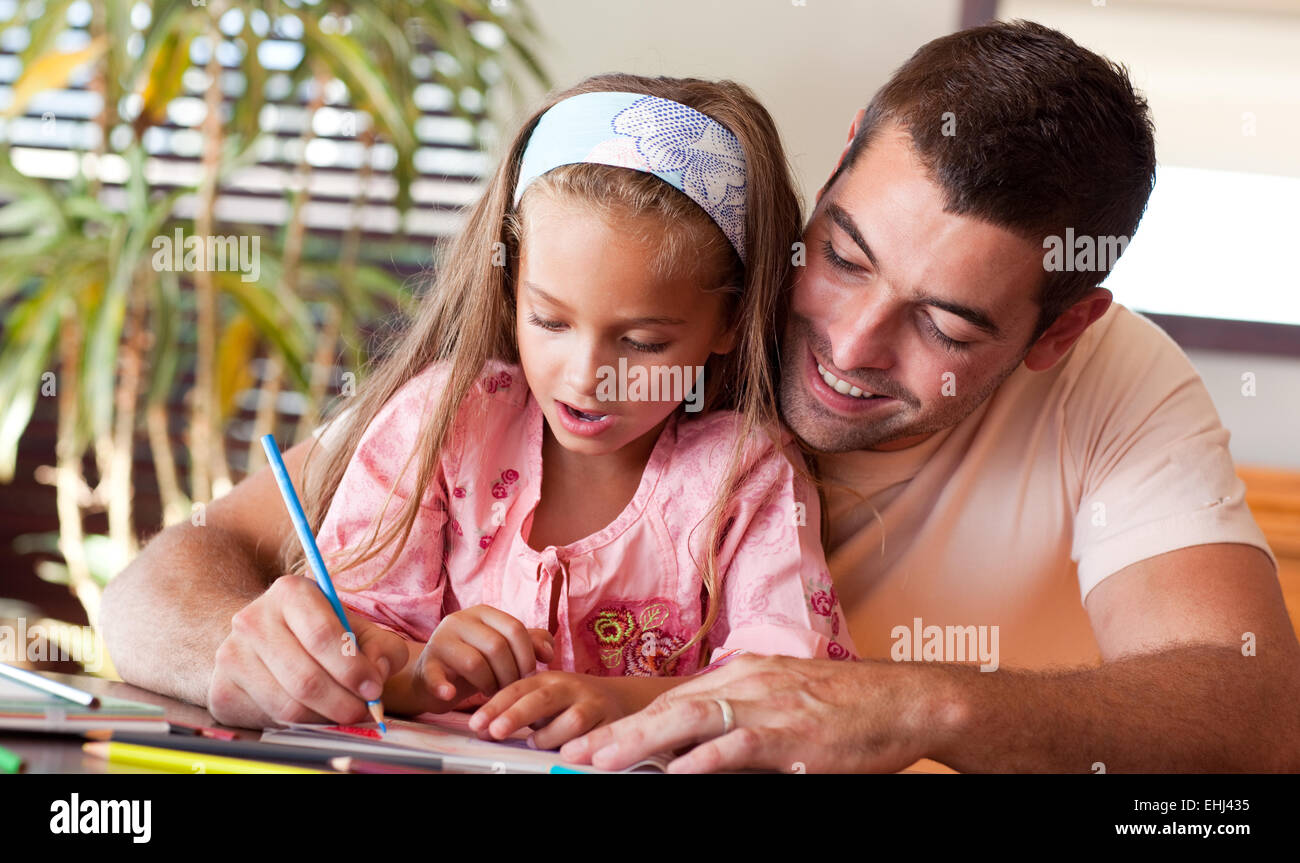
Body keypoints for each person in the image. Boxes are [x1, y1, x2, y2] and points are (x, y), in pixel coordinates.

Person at [554, 21, 1300, 772]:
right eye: (844, 258)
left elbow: (1256, 717)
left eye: (944, 326)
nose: (849, 347)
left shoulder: (1116, 382)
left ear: (1060, 330)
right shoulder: (673, 285)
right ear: (846, 153)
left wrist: (917, 707)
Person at [104, 73, 858, 748]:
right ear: (509, 289)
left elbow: (781, 688)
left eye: (642, 341)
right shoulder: (449, 420)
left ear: (727, 323)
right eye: (551, 321)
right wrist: (422, 671)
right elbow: (349, 637)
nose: (587, 375)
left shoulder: (745, 476)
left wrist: (617, 701)